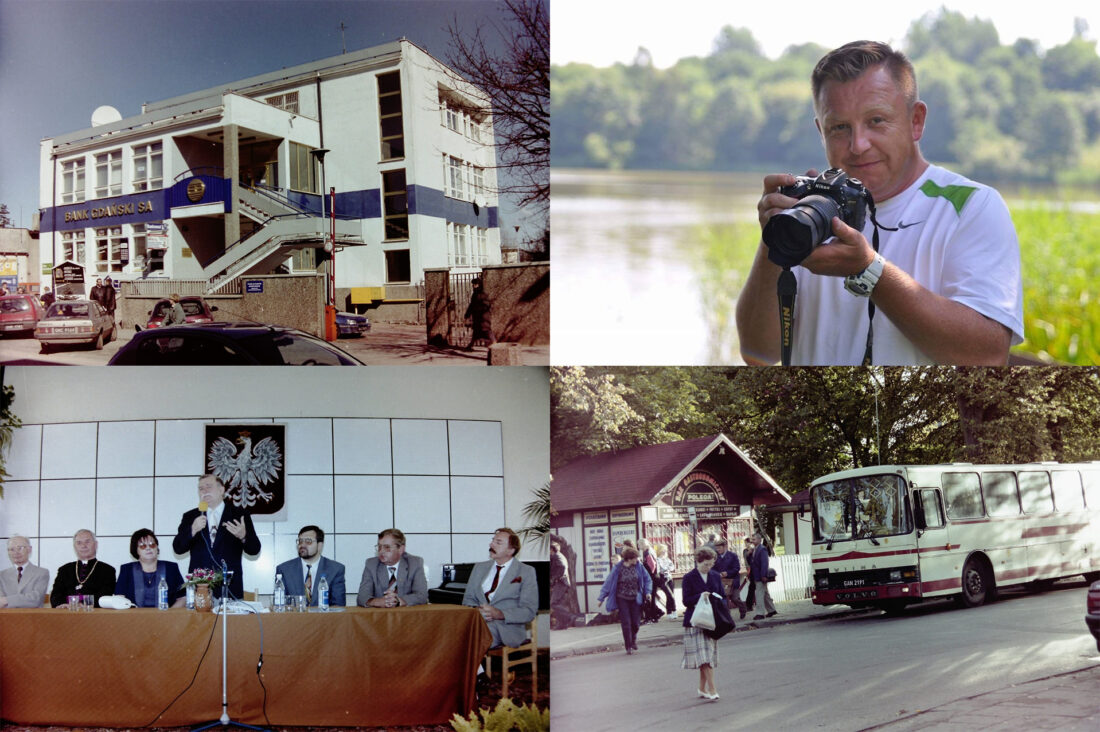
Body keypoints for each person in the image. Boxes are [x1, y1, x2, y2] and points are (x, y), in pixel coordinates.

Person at [736, 40, 1023, 366]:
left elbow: (987, 354)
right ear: (821, 130)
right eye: (840, 127)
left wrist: (870, 271)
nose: (858, 145)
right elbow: (758, 353)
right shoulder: (809, 213)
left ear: (916, 120)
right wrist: (776, 240)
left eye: (876, 121)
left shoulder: (970, 206)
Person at [172, 474, 261, 599]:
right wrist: (192, 530)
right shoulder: (191, 516)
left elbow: (254, 550)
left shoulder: (239, 514)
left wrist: (243, 536)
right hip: (200, 588)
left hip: (230, 587)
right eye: (201, 488)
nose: (204, 491)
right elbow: (178, 548)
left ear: (221, 490)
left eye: (209, 487)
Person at [462, 528, 539, 649]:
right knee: (453, 631)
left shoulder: (526, 571)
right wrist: (476, 610)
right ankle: (475, 668)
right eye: (493, 540)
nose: (491, 544)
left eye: (498, 542)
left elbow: (529, 611)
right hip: (478, 622)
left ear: (511, 550)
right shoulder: (479, 568)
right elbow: (468, 600)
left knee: (471, 637)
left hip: (507, 628)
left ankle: (471, 668)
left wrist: (500, 614)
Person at [681, 546, 723, 702]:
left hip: (711, 621)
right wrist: (700, 596)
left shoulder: (715, 576)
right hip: (695, 621)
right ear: (698, 562)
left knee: (706, 657)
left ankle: (701, 688)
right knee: (704, 658)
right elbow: (686, 600)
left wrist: (716, 599)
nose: (708, 567)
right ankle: (712, 689)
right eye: (705, 564)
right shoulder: (688, 578)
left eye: (711, 564)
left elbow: (723, 597)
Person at [596, 546, 652, 655]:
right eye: (635, 558)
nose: (637, 560)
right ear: (629, 559)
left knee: (636, 623)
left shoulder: (639, 567)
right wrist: (601, 598)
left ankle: (633, 639)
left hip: (636, 597)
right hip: (622, 598)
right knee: (626, 622)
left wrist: (648, 592)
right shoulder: (618, 568)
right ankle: (628, 645)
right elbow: (608, 582)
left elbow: (647, 579)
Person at [275, 525, 347, 607]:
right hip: (294, 619)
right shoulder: (284, 570)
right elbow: (279, 605)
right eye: (300, 541)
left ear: (320, 545)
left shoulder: (335, 569)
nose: (302, 545)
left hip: (324, 619)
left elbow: (338, 606)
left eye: (308, 541)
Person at [114, 529, 186, 608]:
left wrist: (169, 615)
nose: (148, 548)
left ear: (157, 548)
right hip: (133, 618)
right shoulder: (126, 570)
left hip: (166, 617)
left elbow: (183, 598)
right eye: (143, 546)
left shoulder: (171, 568)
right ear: (136, 550)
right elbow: (119, 598)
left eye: (152, 545)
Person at [356, 528, 427, 607]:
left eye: (387, 547)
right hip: (380, 616)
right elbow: (362, 597)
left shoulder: (415, 563)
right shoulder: (371, 564)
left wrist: (398, 601)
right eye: (379, 547)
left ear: (400, 549)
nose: (381, 551)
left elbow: (422, 595)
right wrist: (377, 602)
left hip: (407, 616)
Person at [49, 529, 118, 607]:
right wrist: (62, 604)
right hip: (67, 613)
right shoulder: (64, 570)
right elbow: (55, 595)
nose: (83, 546)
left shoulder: (107, 570)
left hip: (94, 614)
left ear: (96, 544)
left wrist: (84, 604)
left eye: (87, 542)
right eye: (79, 543)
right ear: (75, 547)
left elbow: (105, 595)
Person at [0, 535, 50, 608]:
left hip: (33, 617)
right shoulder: (2, 575)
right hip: (6, 617)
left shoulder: (42, 573)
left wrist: (7, 600)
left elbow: (35, 599)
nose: (16, 552)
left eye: (20, 548)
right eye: (12, 549)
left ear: (29, 549)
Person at [713, 538, 746, 620]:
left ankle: (743, 609)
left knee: (734, 598)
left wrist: (727, 573)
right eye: (716, 548)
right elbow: (712, 569)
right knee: (724, 599)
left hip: (733, 580)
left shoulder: (733, 555)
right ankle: (727, 617)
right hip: (722, 582)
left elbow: (737, 568)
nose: (718, 549)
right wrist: (718, 574)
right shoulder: (715, 557)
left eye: (719, 547)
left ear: (725, 547)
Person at [751, 533, 778, 620]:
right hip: (756, 575)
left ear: (759, 540)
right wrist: (749, 554)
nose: (752, 541)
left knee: (759, 594)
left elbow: (764, 563)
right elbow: (753, 563)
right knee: (765, 593)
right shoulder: (755, 549)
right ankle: (771, 610)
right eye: (752, 539)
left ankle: (760, 613)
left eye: (754, 539)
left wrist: (763, 575)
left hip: (760, 575)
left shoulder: (762, 549)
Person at [549, 539, 573, 629]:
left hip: (561, 583)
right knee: (559, 603)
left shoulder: (557, 556)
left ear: (552, 549)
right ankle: (562, 624)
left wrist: (554, 579)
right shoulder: (557, 556)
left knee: (554, 603)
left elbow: (562, 567)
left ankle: (569, 617)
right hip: (562, 583)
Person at [464, 278, 494, 348]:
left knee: (487, 331)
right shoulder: (477, 293)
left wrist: (468, 314)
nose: (474, 286)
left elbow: (474, 306)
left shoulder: (479, 294)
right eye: (473, 284)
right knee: (476, 331)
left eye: (475, 284)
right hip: (480, 316)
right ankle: (470, 346)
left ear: (479, 285)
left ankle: (495, 344)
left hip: (482, 317)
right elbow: (472, 305)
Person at [652, 543, 677, 620]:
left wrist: (667, 568)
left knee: (671, 595)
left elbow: (672, 566)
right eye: (663, 550)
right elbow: (661, 569)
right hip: (663, 579)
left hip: (669, 578)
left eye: (665, 550)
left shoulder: (667, 559)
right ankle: (672, 611)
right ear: (659, 551)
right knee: (670, 595)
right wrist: (667, 568)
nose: (664, 552)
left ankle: (671, 612)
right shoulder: (657, 559)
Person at [742, 536, 756, 613]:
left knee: (753, 587)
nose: (746, 545)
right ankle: (749, 605)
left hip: (754, 570)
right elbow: (746, 556)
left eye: (747, 543)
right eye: (746, 543)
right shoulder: (745, 551)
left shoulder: (755, 550)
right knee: (752, 587)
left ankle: (750, 604)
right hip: (750, 570)